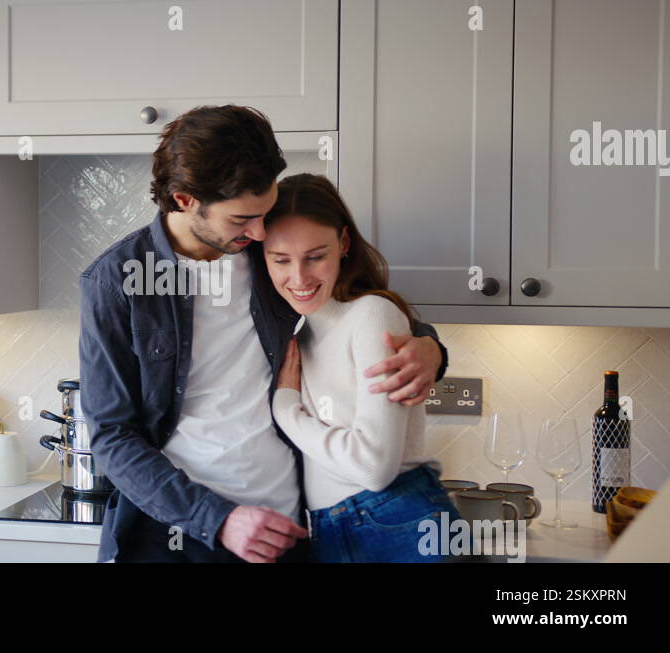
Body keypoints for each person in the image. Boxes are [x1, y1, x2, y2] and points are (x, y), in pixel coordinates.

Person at [79, 105, 449, 563]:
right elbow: (112, 435)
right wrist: (219, 519)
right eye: (240, 220)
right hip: (176, 536)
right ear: (184, 199)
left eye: (265, 212)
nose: (258, 232)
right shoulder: (117, 281)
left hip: (289, 531)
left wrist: (430, 347)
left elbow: (354, 306)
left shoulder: (267, 251)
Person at [265, 173, 460, 563]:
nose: (299, 278)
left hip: (397, 521)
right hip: (332, 528)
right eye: (281, 260)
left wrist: (286, 409)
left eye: (315, 256)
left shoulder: (372, 315)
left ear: (344, 244)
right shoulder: (297, 330)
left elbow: (373, 468)